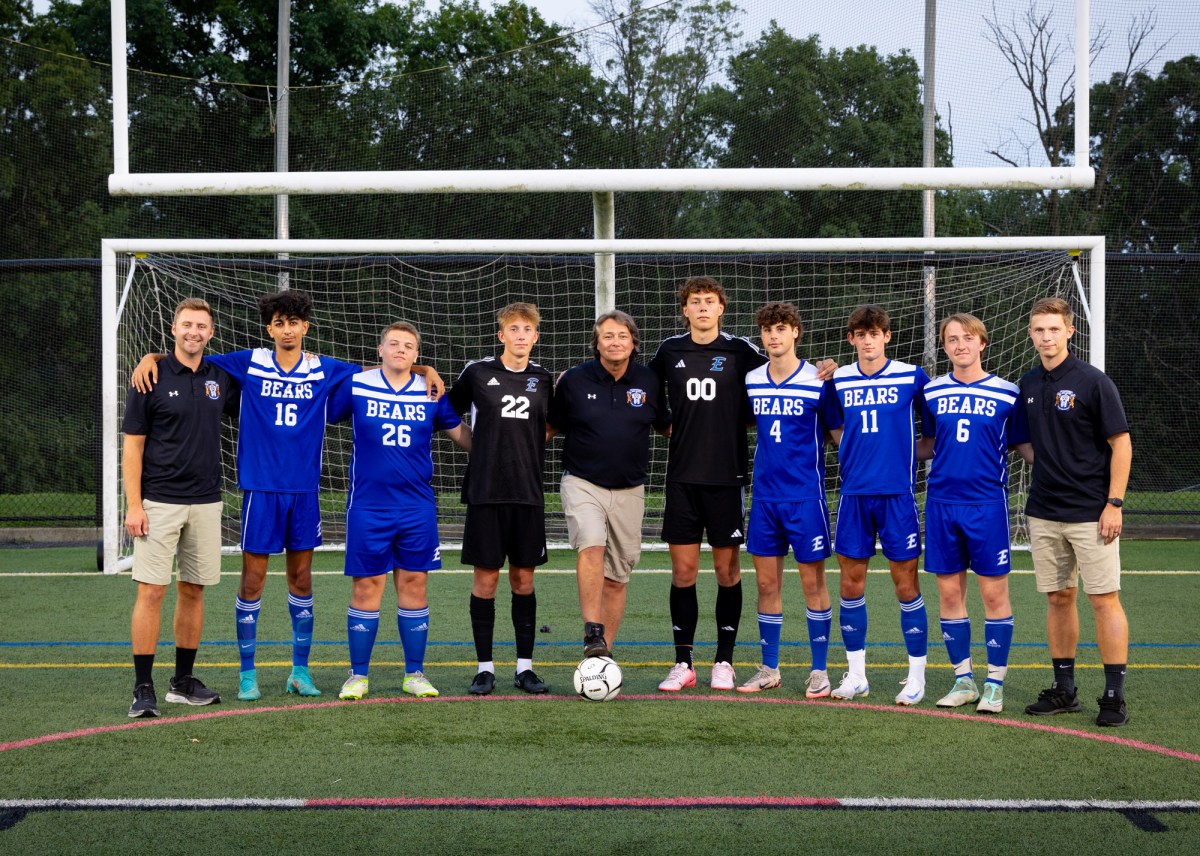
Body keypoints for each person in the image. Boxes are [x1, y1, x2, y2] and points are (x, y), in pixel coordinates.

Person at [132, 290, 444, 702]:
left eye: (294, 323)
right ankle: (247, 673)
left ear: (304, 327)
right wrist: (150, 357)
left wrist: (425, 367)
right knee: (253, 580)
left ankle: (300, 670)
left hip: (304, 491)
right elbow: (191, 360)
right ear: (270, 328)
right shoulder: (249, 362)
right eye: (279, 323)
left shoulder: (323, 368)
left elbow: (383, 366)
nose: (287, 329)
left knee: (301, 579)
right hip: (261, 490)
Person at [327, 322, 470, 700]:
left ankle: (415, 674)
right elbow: (321, 413)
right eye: (394, 344)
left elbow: (464, 438)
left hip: (416, 507)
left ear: (417, 355)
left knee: (414, 584)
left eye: (408, 346)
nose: (400, 350)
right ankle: (357, 675)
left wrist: (505, 443)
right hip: (368, 506)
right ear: (380, 349)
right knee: (366, 587)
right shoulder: (357, 385)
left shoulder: (431, 391)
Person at [1016, 297, 1132, 727]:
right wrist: (1050, 462)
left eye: (1053, 329)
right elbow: (1025, 445)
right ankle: (1064, 690)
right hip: (1044, 512)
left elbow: (1121, 443)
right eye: (1037, 330)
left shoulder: (1092, 381)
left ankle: (1114, 696)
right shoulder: (1028, 384)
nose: (1045, 337)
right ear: (1030, 334)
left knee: (1103, 600)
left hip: (1091, 511)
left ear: (1069, 332)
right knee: (1059, 598)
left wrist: (1114, 502)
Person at [648, 277, 767, 692]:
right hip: (681, 478)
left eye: (709, 302)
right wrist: (667, 426)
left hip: (726, 476)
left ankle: (724, 661)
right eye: (695, 302)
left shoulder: (739, 350)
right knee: (683, 573)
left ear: (721, 309)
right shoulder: (669, 350)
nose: (702, 308)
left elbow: (779, 374)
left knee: (726, 570)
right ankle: (683, 663)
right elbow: (644, 393)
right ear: (684, 310)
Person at [123, 297, 238, 718]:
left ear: (210, 333)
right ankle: (143, 687)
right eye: (186, 324)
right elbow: (132, 448)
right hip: (158, 502)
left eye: (201, 326)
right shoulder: (150, 376)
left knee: (193, 590)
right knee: (151, 591)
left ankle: (182, 682)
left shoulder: (221, 377)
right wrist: (133, 505)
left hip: (207, 502)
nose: (193, 331)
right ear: (173, 329)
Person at [920, 313, 1028, 715]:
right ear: (944, 347)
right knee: (949, 593)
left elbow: (1025, 448)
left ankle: (994, 683)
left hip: (987, 505)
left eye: (968, 338)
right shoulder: (931, 392)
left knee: (993, 593)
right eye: (952, 340)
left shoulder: (1008, 393)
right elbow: (928, 444)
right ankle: (963, 679)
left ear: (983, 343)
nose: (960, 345)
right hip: (942, 504)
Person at [548, 311, 668, 659]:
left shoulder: (649, 380)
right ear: (596, 343)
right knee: (591, 545)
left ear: (633, 342)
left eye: (622, 336)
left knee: (617, 576)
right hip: (582, 481)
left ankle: (601, 657)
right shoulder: (573, 380)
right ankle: (592, 631)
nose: (615, 342)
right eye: (608, 336)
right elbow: (549, 426)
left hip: (630, 488)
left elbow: (667, 425)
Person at [828, 306, 931, 705]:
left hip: (897, 495)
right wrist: (853, 451)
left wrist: (901, 455)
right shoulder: (836, 380)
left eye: (875, 333)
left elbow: (933, 431)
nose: (868, 340)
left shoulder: (911, 376)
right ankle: (856, 676)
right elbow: (834, 427)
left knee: (906, 584)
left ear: (888, 336)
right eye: (860, 334)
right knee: (850, 584)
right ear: (850, 339)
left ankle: (916, 676)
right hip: (854, 495)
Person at [449, 302, 554, 695]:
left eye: (528, 329)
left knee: (523, 580)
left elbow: (554, 421)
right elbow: (446, 411)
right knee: (486, 580)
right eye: (514, 329)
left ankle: (524, 669)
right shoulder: (478, 373)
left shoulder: (544, 380)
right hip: (486, 493)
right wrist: (475, 446)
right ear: (501, 335)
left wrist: (526, 447)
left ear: (536, 336)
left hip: (527, 494)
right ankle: (485, 668)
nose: (521, 335)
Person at [738, 303, 842, 696]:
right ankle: (769, 668)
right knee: (767, 586)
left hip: (805, 497)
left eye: (781, 328)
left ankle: (819, 670)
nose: (773, 336)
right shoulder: (752, 379)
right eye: (767, 330)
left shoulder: (819, 379)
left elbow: (838, 435)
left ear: (796, 332)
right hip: (765, 498)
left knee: (813, 584)